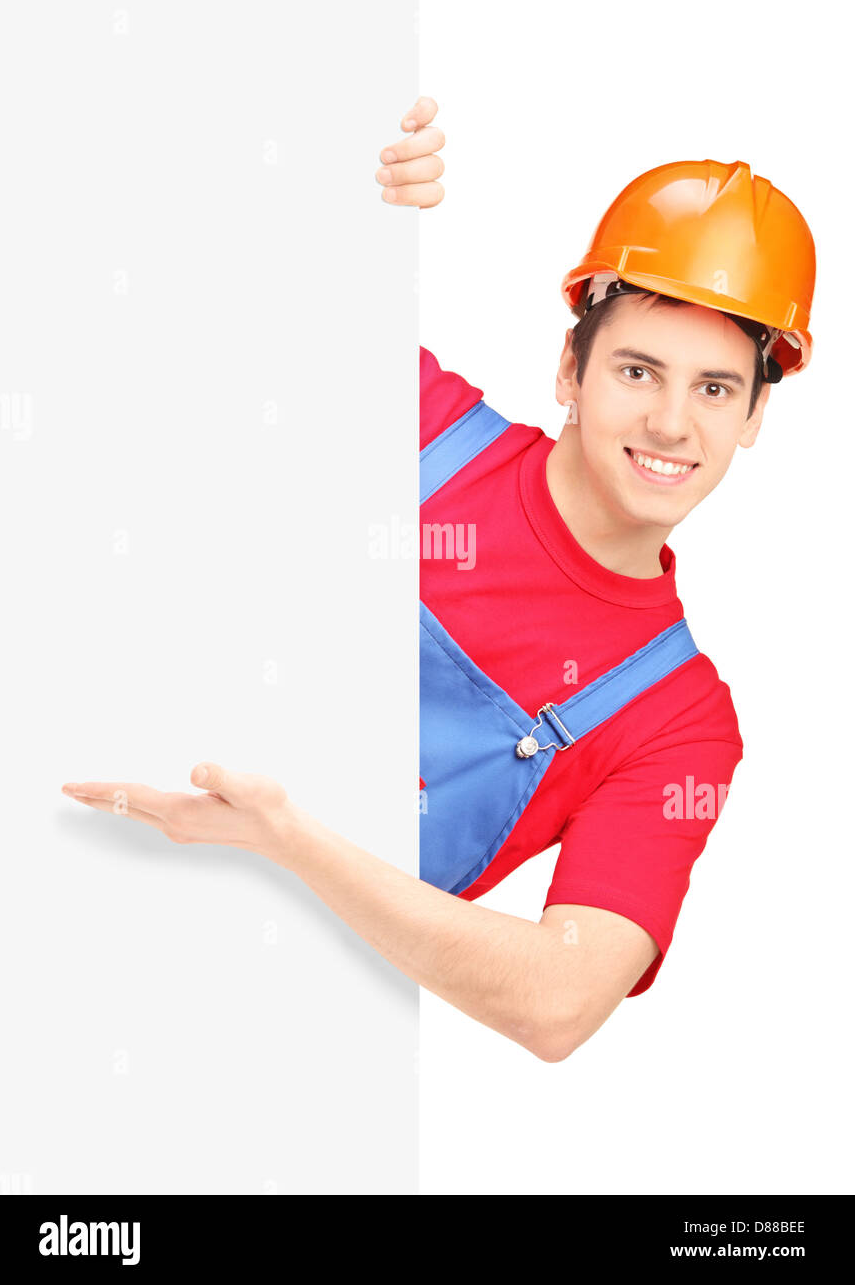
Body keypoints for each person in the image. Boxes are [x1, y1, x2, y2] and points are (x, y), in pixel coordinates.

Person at [62, 97, 816, 1063]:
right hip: (74, 860)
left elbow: (559, 1003)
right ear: (569, 371)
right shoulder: (416, 421)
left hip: (257, 1037)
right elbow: (164, 260)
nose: (673, 423)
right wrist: (348, 184)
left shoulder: (681, 726)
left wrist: (288, 840)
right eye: (638, 370)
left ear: (753, 417)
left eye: (715, 389)